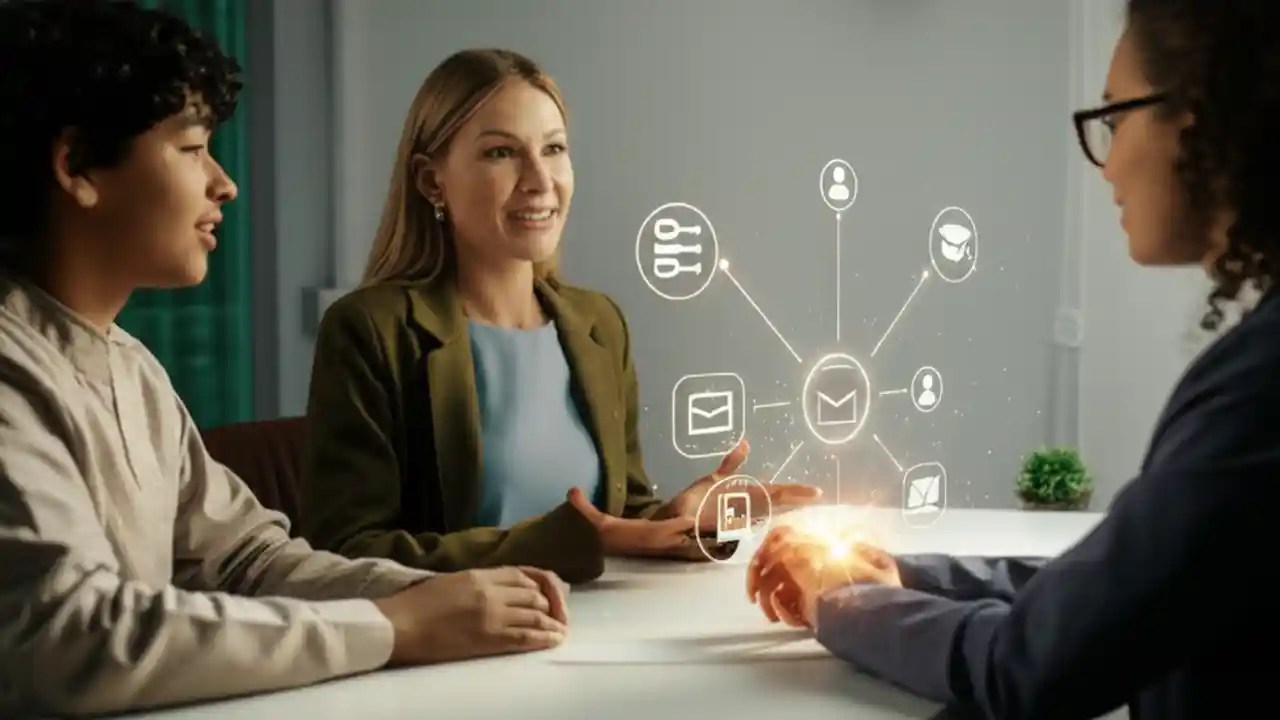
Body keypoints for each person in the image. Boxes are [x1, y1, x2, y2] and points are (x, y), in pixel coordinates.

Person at [0, 2, 569, 716]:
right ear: (78, 167)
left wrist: (428, 596)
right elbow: (71, 636)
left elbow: (246, 560)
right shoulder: (11, 374)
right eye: (191, 148)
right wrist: (396, 626)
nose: (224, 183)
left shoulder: (133, 369)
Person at [746, 1, 1276, 718]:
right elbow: (1122, 588)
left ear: (1203, 117)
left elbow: (1032, 666)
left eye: (1116, 117)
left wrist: (834, 601)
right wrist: (904, 573)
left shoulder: (1258, 392)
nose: (1107, 162)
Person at [301, 48, 821, 582]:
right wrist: (578, 539)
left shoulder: (598, 323)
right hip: (462, 648)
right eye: (501, 153)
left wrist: (675, 518)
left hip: (602, 638)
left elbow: (619, 517)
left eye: (553, 149)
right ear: (431, 181)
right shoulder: (370, 330)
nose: (539, 179)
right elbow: (346, 551)